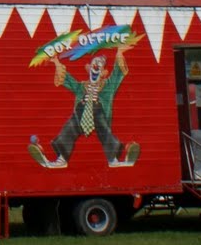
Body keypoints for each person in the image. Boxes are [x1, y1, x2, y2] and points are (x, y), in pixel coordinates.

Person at [29, 40, 141, 169]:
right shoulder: (81, 87)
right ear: (89, 69)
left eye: (99, 66)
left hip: (99, 115)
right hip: (80, 115)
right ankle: (61, 159)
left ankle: (114, 159)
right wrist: (56, 62)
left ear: (103, 72)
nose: (96, 66)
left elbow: (117, 73)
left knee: (105, 131)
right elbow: (68, 79)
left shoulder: (108, 86)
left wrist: (119, 52)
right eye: (94, 64)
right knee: (69, 128)